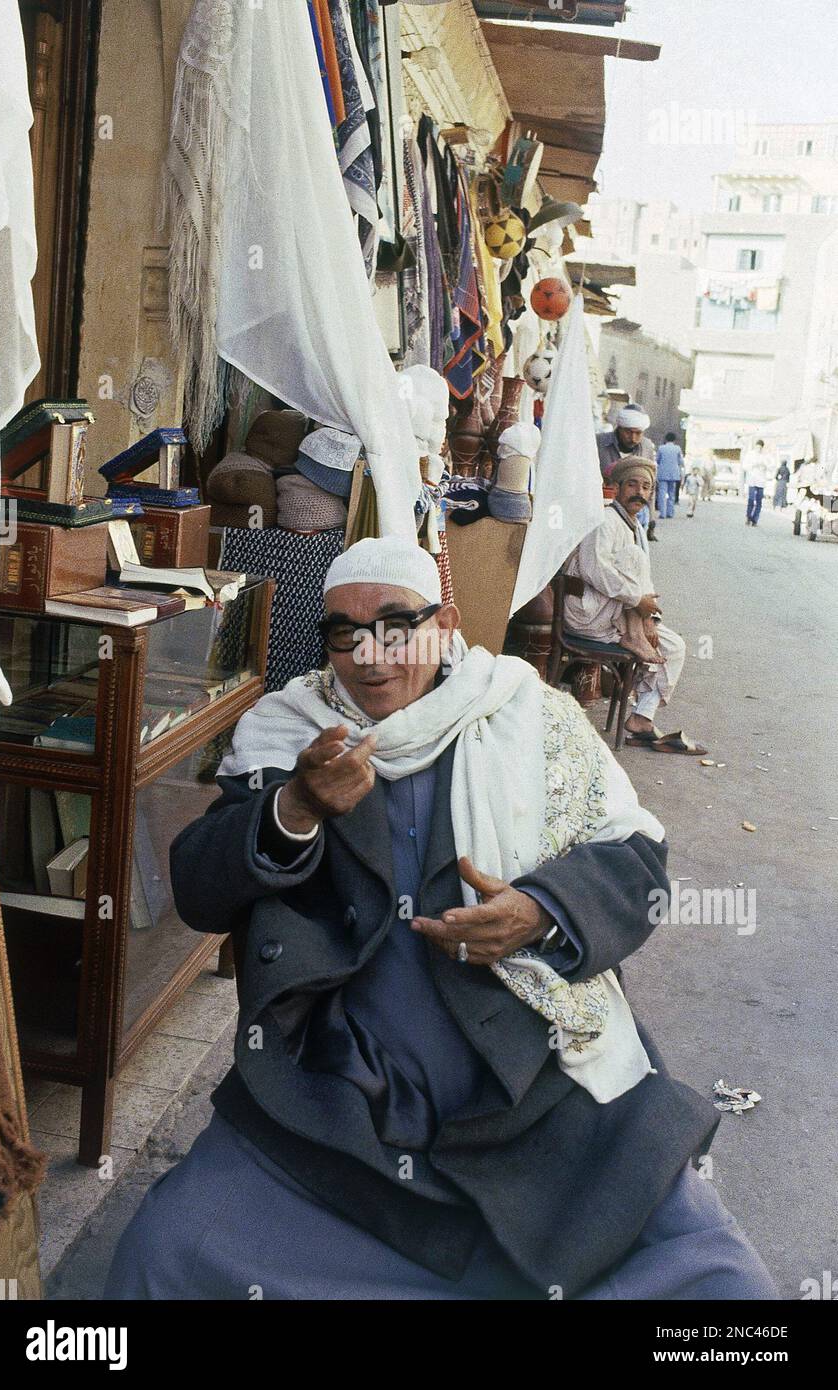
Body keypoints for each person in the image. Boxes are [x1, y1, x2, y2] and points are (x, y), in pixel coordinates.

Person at [104, 536, 772, 1301]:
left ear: (446, 622)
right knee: (169, 1251)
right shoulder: (292, 733)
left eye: (396, 626)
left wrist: (540, 910)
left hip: (533, 1072)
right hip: (342, 1092)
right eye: (344, 634)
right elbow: (198, 886)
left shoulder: (528, 714)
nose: (369, 655)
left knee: (724, 1290)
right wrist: (294, 808)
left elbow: (636, 862)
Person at [564, 459, 708, 756]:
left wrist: (649, 615)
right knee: (634, 558)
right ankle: (636, 631)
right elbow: (595, 570)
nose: (639, 493)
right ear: (617, 488)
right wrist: (638, 602)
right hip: (588, 613)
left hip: (615, 616)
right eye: (632, 485)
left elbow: (640, 585)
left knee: (674, 647)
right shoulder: (604, 520)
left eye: (646, 487)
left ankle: (641, 718)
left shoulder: (634, 527)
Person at [596, 403, 658, 540]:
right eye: (628, 432)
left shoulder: (646, 446)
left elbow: (651, 485)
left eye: (638, 433)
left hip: (635, 513)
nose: (633, 438)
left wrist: (652, 519)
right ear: (620, 427)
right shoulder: (599, 443)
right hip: (603, 513)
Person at [655, 433, 684, 519]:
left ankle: (662, 513)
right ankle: (670, 513)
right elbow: (681, 461)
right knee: (672, 493)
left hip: (663, 473)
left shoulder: (661, 448)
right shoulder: (677, 448)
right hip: (674, 473)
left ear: (666, 439)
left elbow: (657, 460)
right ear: (674, 440)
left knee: (662, 493)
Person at [744, 440, 768, 525]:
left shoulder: (764, 456)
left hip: (761, 481)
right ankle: (748, 517)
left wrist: (764, 465)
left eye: (760, 447)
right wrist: (753, 465)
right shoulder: (750, 455)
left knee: (759, 501)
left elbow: (770, 466)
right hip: (752, 480)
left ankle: (755, 519)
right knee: (751, 499)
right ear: (755, 446)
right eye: (757, 447)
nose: (759, 449)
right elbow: (745, 466)